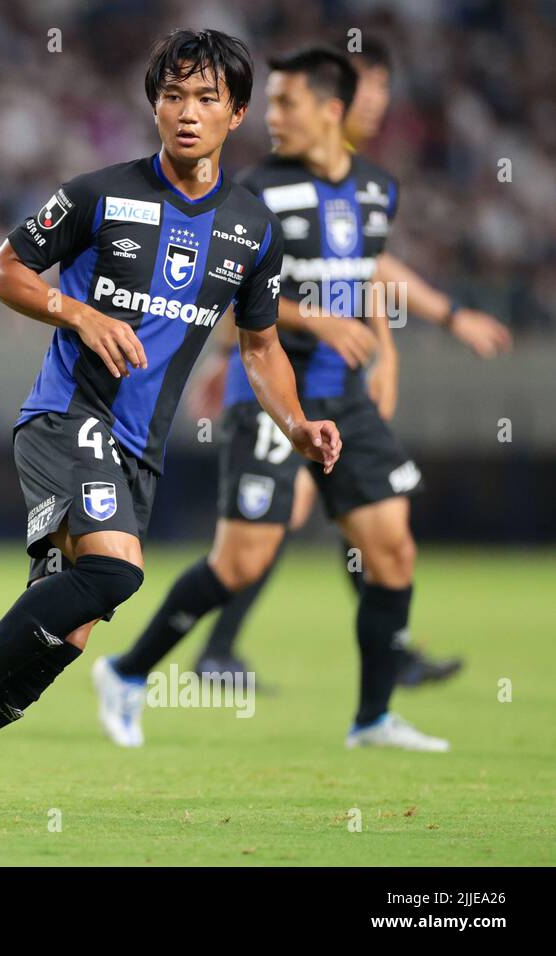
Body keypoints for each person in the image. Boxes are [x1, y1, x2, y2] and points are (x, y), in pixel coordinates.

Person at [0, 30, 340, 813]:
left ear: (237, 114)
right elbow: (1, 271)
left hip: (138, 451)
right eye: (172, 95)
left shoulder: (252, 229)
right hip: (66, 416)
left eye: (206, 98)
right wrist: (78, 314)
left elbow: (261, 349)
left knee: (68, 632)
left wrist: (296, 423)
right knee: (117, 571)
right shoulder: (98, 195)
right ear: (154, 104)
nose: (186, 113)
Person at [96, 47, 449, 753]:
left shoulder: (379, 190)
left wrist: (387, 345)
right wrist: (310, 323)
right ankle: (129, 672)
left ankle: (373, 718)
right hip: (270, 398)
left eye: (286, 103)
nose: (272, 116)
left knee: (393, 552)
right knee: (240, 564)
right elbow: (235, 308)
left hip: (344, 400)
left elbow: (362, 273)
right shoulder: (254, 194)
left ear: (330, 111)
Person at [188, 38, 511, 687]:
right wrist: (224, 359)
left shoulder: (359, 180)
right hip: (281, 369)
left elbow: (358, 268)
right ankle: (209, 654)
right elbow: (246, 280)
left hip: (329, 374)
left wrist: (388, 347)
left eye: (384, 92)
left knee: (352, 510)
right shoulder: (282, 182)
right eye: (368, 90)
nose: (377, 103)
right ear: (334, 102)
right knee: (306, 513)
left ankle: (361, 650)